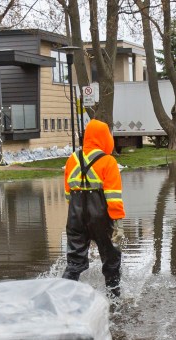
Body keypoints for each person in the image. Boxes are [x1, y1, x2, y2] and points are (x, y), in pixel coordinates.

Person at [62, 119, 124, 297]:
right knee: (110, 258)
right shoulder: (108, 161)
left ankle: (62, 297)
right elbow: (113, 196)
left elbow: (68, 194)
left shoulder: (72, 159)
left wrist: (77, 214)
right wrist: (118, 223)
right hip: (100, 216)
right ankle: (114, 299)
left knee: (74, 261)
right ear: (104, 138)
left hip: (75, 215)